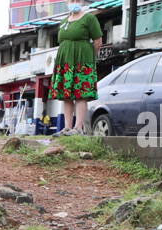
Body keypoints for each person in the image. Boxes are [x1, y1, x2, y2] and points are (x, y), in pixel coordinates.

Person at [49, 1, 103, 136]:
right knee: (66, 96)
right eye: (71, 0)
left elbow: (98, 42)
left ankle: (78, 128)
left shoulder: (89, 18)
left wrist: (90, 59)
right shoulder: (63, 21)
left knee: (80, 95)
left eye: (77, 0)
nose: (74, 2)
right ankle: (67, 127)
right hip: (65, 63)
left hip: (82, 62)